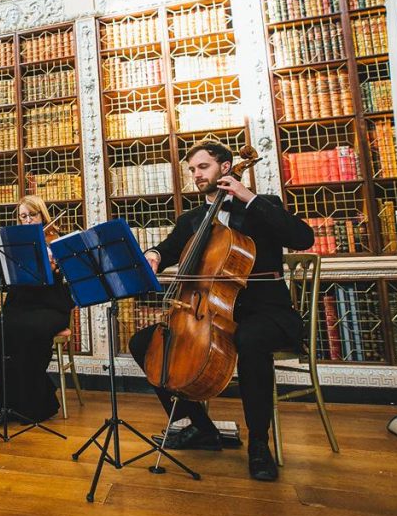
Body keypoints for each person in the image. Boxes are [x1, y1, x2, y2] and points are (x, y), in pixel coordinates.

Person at [128, 140, 314, 481]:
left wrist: (248, 197)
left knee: (251, 339)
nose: (196, 175)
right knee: (144, 344)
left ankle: (259, 443)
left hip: (265, 311)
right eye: (192, 170)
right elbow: (167, 249)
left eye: (203, 167)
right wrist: (154, 254)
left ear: (225, 167)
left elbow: (303, 238)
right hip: (209, 313)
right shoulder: (193, 219)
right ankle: (201, 427)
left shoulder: (261, 207)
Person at [0, 195, 75, 423]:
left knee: (30, 330)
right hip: (23, 303)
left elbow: (72, 280)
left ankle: (36, 403)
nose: (27, 220)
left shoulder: (57, 241)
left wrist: (57, 266)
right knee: (0, 325)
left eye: (32, 215)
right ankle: (5, 402)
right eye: (23, 216)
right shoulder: (15, 246)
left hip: (52, 305)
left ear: (42, 216)